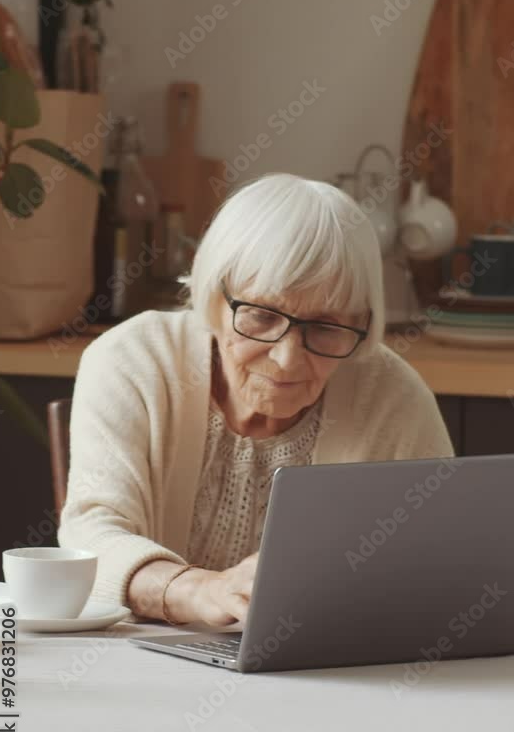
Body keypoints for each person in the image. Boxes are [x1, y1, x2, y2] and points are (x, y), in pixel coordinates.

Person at [58, 172, 453, 627]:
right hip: (143, 668)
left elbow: (436, 567)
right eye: (263, 317)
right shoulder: (135, 360)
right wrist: (194, 589)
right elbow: (90, 537)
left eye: (325, 326)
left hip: (326, 674)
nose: (287, 360)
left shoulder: (390, 396)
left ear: (362, 322)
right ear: (214, 297)